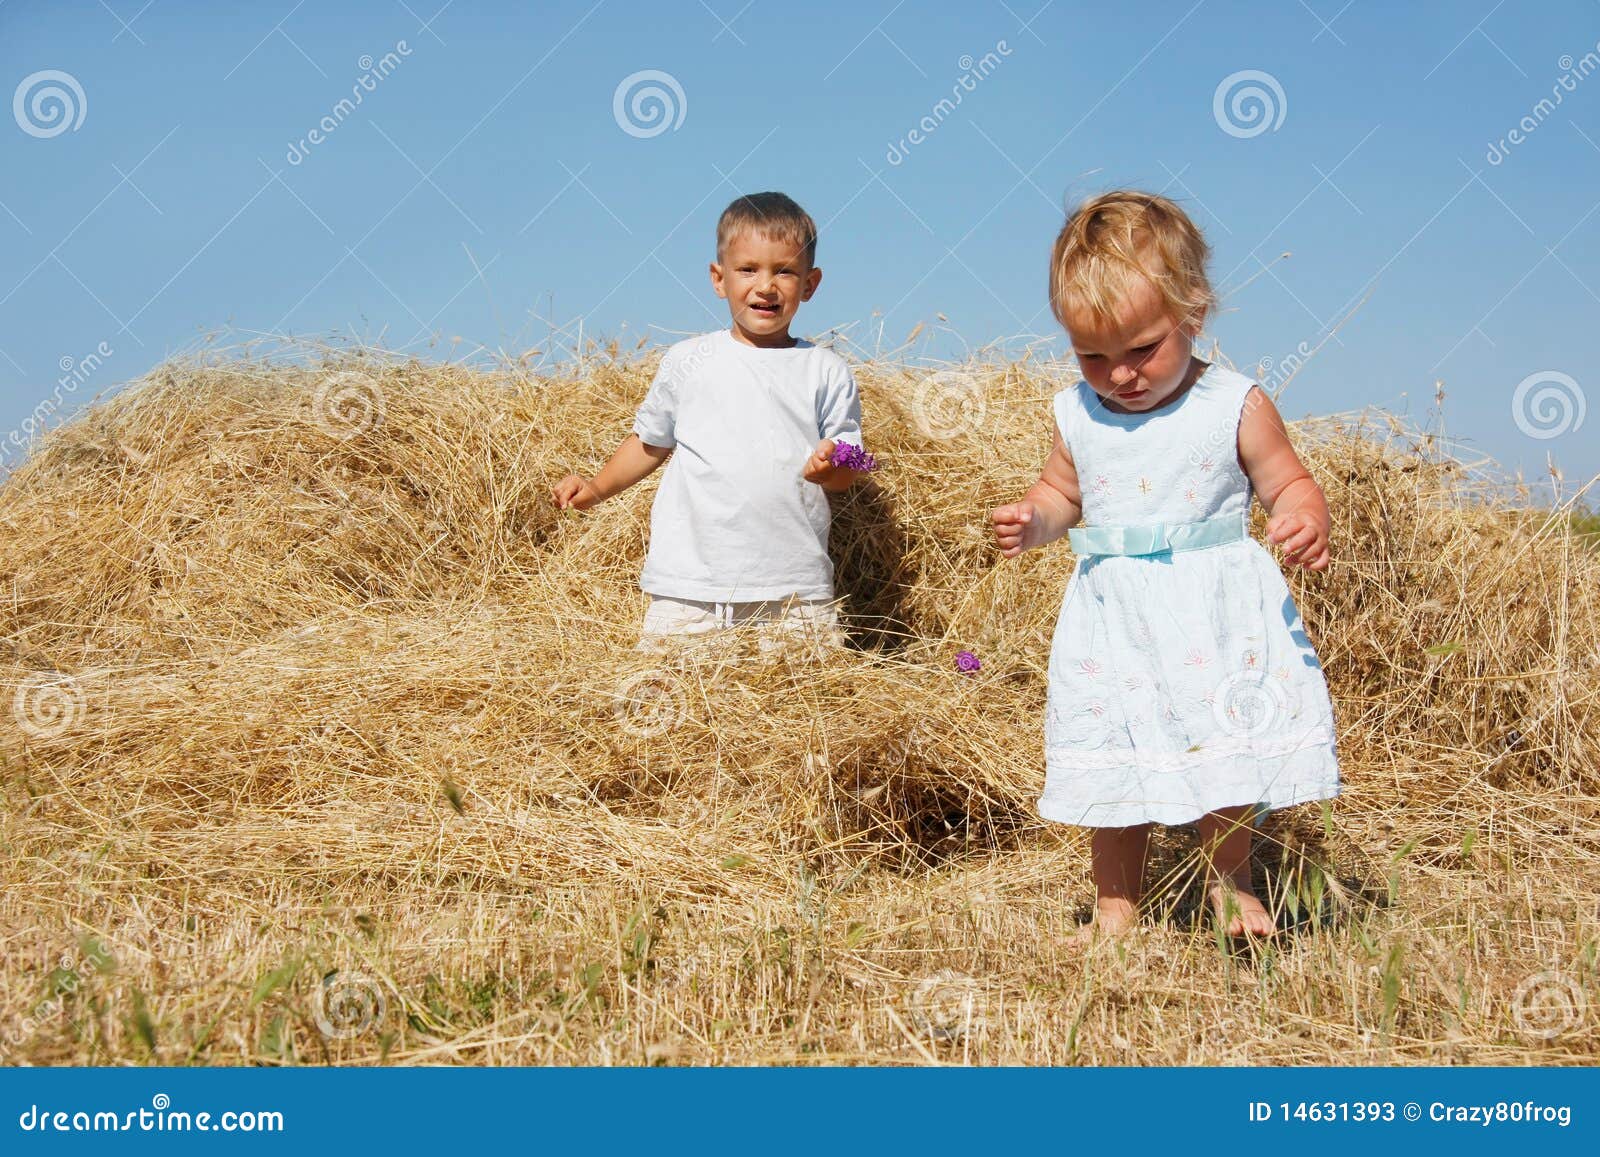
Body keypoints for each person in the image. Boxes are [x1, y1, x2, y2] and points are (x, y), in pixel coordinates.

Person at [991, 190, 1342, 944]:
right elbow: (1063, 492)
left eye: (1141, 348)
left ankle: (1230, 885)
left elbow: (1289, 480)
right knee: (1115, 762)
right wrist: (1034, 521)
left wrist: (1303, 518)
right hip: (1113, 619)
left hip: (1212, 614)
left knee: (1222, 760)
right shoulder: (1076, 415)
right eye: (1092, 354)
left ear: (1193, 314)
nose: (1117, 374)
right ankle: (1116, 904)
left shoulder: (1233, 404)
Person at [551, 191, 870, 653]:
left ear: (810, 284)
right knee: (674, 707)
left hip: (794, 595)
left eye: (784, 270)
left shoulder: (825, 370)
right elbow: (650, 443)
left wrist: (831, 469)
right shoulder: (689, 361)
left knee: (804, 715)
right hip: (691, 591)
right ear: (718, 279)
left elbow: (846, 469)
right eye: (748, 270)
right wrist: (597, 488)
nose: (766, 286)